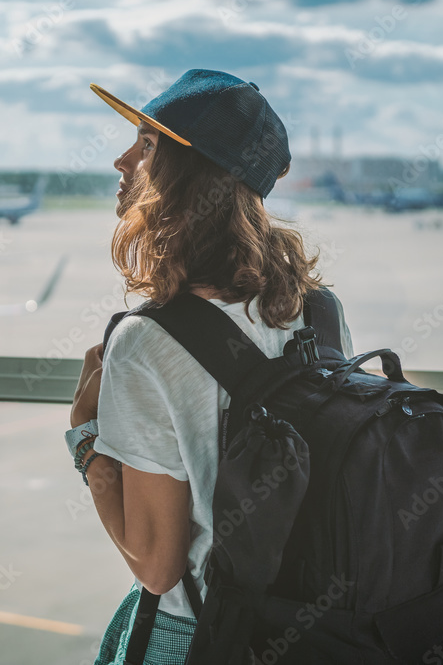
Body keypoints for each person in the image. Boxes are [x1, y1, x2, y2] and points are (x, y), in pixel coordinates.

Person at [65, 69, 354, 665]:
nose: (122, 161)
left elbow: (157, 565)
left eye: (146, 145)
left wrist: (86, 440)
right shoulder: (321, 313)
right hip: (320, 630)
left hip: (205, 635)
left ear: (188, 175)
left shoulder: (146, 342)